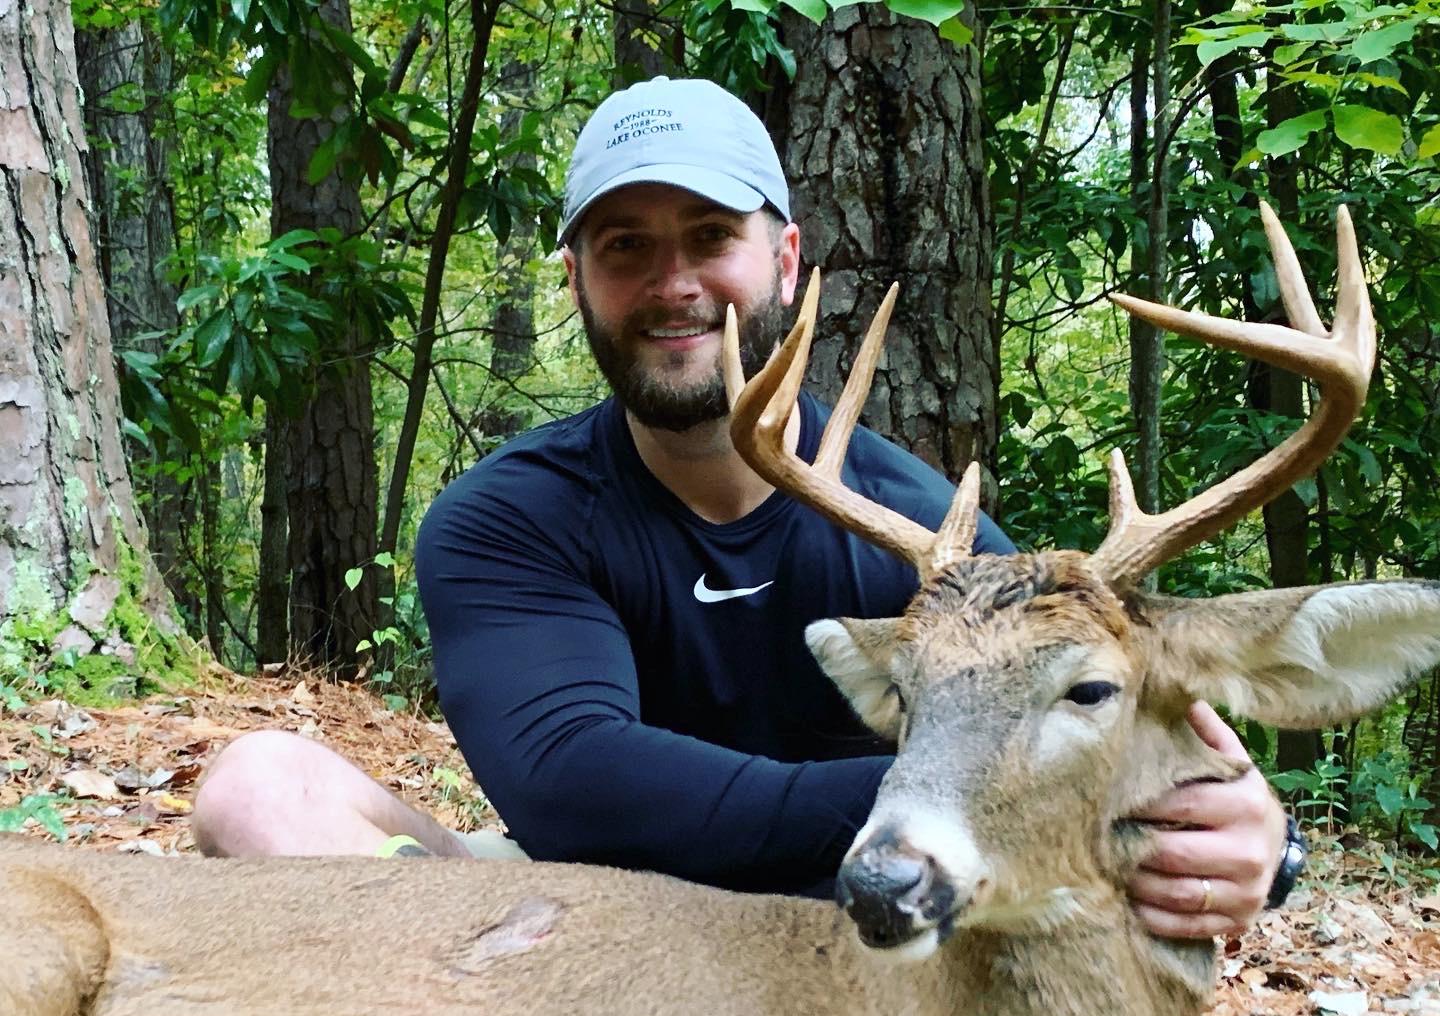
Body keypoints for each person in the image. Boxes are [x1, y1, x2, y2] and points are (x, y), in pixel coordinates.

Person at [194, 76, 1291, 935]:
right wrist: (986, 793)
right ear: (575, 274)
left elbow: (1123, 727)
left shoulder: (930, 540)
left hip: (851, 928)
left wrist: (1253, 835)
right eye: (627, 247)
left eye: (713, 238)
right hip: (558, 933)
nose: (674, 284)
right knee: (259, 787)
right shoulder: (509, 516)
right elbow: (574, 786)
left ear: (785, 257)